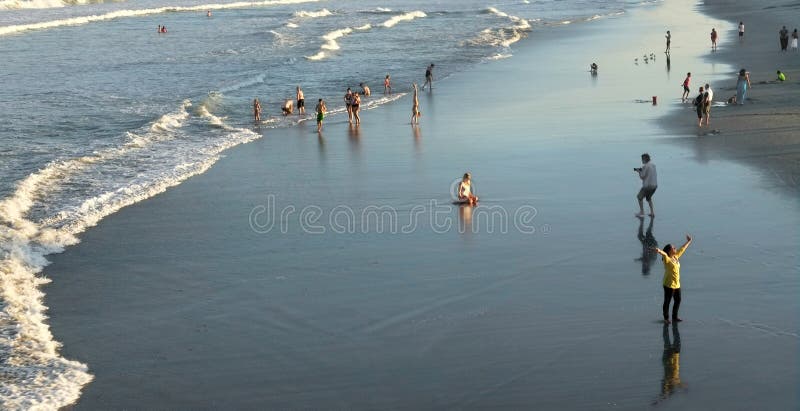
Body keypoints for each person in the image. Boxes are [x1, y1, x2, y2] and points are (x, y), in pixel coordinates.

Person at [652, 235, 693, 324]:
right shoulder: (667, 259)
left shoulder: (675, 257)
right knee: (667, 301)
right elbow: (664, 254)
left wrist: (689, 241)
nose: (675, 248)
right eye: (673, 248)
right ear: (670, 251)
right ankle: (666, 318)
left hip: (677, 284)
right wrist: (659, 251)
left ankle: (675, 317)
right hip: (668, 285)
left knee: (678, 300)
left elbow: (682, 249)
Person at [635, 153, 657, 217]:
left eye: (642, 159)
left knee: (639, 197)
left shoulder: (645, 166)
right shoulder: (653, 165)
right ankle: (652, 212)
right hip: (654, 185)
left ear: (644, 159)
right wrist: (642, 170)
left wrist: (639, 172)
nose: (642, 161)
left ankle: (642, 212)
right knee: (648, 198)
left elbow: (642, 176)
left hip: (648, 186)